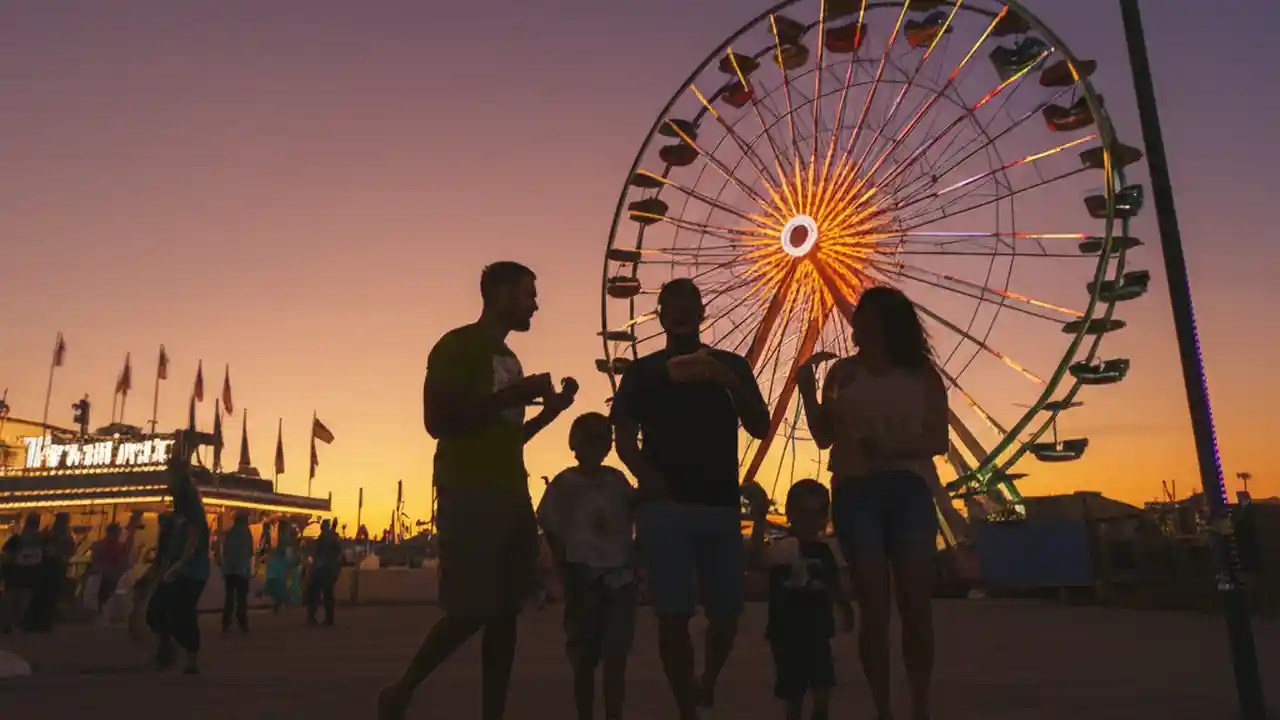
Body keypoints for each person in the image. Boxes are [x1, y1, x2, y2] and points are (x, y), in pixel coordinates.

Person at [379, 261, 577, 720]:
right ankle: (402, 689)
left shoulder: (510, 360)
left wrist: (552, 411)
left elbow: (507, 436)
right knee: (472, 608)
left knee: (505, 614)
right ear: (502, 293)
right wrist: (513, 396)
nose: (535, 304)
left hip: (511, 493)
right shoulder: (456, 346)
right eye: (529, 294)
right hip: (469, 492)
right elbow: (438, 422)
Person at [611, 278, 770, 720]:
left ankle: (708, 680)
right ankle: (686, 707)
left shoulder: (732, 364)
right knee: (672, 616)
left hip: (720, 502)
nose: (680, 312)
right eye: (671, 305)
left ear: (702, 313)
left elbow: (760, 426)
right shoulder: (642, 372)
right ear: (659, 315)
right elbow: (622, 438)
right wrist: (646, 475)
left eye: (689, 304)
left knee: (726, 615)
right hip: (666, 508)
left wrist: (728, 383)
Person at [796, 286, 948, 720]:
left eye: (867, 315)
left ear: (887, 323)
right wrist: (807, 389)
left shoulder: (922, 374)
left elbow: (938, 439)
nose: (856, 321)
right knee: (874, 609)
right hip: (856, 489)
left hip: (909, 487)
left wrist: (890, 446)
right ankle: (884, 708)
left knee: (916, 604)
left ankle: (919, 704)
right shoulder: (842, 374)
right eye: (858, 314)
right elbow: (825, 436)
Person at [537, 412, 637, 720]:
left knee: (615, 659)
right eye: (589, 438)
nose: (596, 446)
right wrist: (563, 569)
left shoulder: (617, 481)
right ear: (574, 444)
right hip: (583, 581)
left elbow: (636, 512)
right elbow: (551, 529)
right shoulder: (563, 484)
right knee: (584, 660)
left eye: (602, 439)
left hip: (620, 579)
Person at [746, 480, 854, 720]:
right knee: (794, 691)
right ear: (791, 514)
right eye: (804, 513)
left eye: (816, 514)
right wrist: (759, 521)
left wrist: (845, 607)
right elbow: (757, 560)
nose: (809, 521)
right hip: (786, 633)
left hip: (816, 631)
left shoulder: (829, 549)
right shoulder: (785, 548)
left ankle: (819, 713)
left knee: (821, 684)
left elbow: (835, 583)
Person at [156, 436, 212, 675]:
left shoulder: (190, 506)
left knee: (182, 612)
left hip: (191, 570)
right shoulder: (178, 506)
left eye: (169, 475)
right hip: (179, 567)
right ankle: (170, 650)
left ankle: (189, 658)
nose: (166, 480)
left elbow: (192, 539)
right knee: (162, 610)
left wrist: (177, 566)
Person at [26, 512, 74, 632]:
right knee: (46, 596)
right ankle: (40, 622)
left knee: (47, 597)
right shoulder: (53, 535)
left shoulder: (53, 534)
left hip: (51, 569)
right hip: (51, 569)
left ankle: (41, 622)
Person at [1, 514, 44, 633]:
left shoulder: (38, 540)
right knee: (15, 600)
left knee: (21, 600)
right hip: (18, 574)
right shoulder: (17, 540)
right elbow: (6, 556)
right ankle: (9, 623)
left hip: (25, 574)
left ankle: (12, 623)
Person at [220, 511, 253, 633]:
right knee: (241, 598)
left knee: (229, 597)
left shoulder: (229, 533)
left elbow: (225, 551)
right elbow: (250, 551)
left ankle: (226, 621)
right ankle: (242, 622)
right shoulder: (246, 533)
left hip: (229, 570)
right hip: (242, 570)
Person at [306, 519, 342, 627]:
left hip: (323, 570)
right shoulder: (328, 540)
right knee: (324, 594)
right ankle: (325, 618)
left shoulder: (324, 540)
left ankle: (317, 617)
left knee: (319, 594)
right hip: (325, 570)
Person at [90, 523, 130, 618]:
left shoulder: (118, 546)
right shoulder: (103, 545)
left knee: (107, 594)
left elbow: (123, 561)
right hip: (106, 574)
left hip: (110, 574)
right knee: (105, 593)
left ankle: (103, 611)